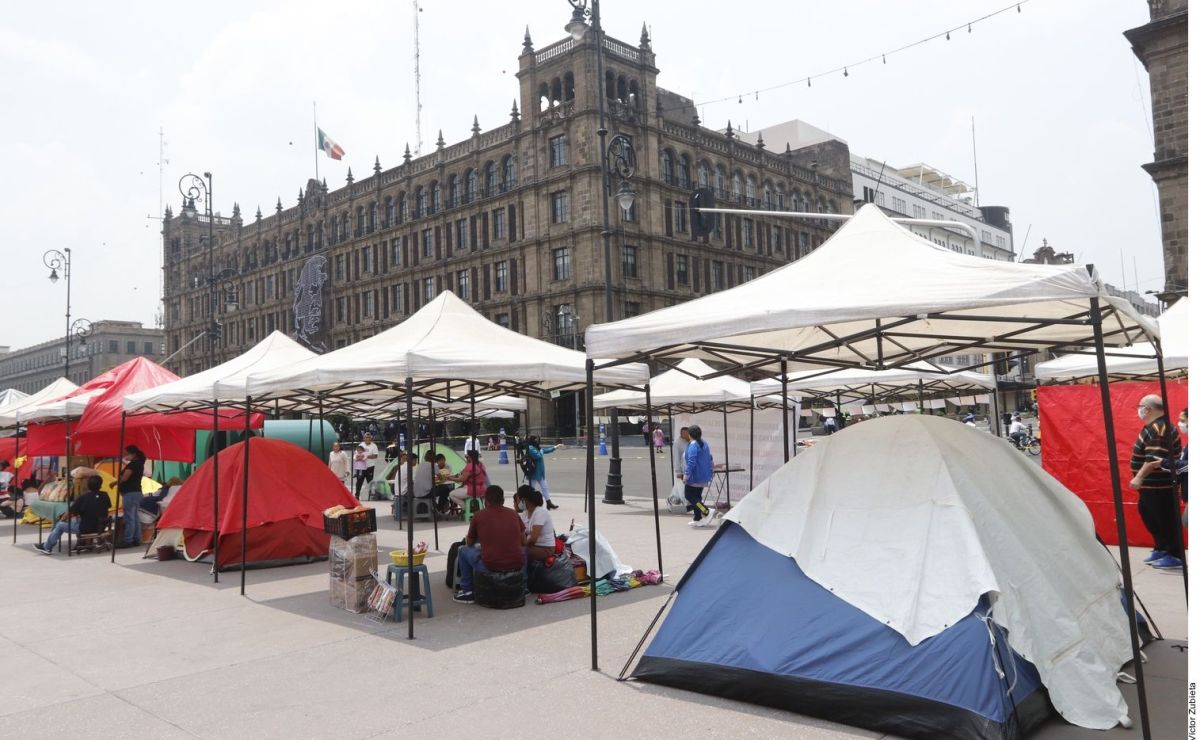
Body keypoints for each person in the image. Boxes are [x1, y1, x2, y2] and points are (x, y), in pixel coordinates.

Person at [1129, 395, 1183, 569]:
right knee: (1150, 516)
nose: (1139, 409)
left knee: (1165, 519)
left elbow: (1154, 458)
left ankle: (1175, 555)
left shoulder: (1160, 428)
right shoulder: (1152, 427)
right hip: (1151, 486)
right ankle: (1161, 547)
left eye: (1140, 406)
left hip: (1161, 486)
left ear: (1148, 409)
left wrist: (1139, 476)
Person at [454, 485, 526, 603]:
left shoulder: (478, 515)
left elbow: (470, 542)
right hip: (516, 564)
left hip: (491, 566)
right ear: (502, 500)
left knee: (463, 550)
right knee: (524, 551)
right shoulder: (513, 514)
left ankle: (467, 591)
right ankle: (525, 586)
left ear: (486, 501)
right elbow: (524, 541)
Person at [35, 475, 110, 554]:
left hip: (86, 528)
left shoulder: (83, 498)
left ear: (88, 486)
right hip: (101, 527)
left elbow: (69, 513)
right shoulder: (105, 495)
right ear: (101, 485)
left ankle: (47, 547)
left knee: (60, 525)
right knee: (77, 519)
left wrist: (61, 520)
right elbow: (104, 507)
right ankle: (82, 543)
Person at [683, 425, 717, 528]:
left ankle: (706, 511)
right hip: (703, 476)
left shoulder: (693, 445)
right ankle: (697, 518)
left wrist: (686, 475)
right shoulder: (704, 443)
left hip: (694, 476)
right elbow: (709, 458)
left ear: (690, 434)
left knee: (689, 496)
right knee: (697, 498)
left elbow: (691, 461)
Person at [515, 484, 557, 562]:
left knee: (517, 551)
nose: (517, 503)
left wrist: (522, 544)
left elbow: (533, 539)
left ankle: (524, 574)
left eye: (518, 499)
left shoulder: (540, 512)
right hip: (533, 546)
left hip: (545, 549)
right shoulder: (525, 514)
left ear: (524, 500)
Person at [116, 445, 146, 548]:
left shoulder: (132, 465)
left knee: (129, 517)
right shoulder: (140, 464)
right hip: (137, 492)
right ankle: (136, 539)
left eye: (127, 453)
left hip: (130, 493)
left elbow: (125, 478)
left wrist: (115, 483)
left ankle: (128, 540)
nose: (125, 455)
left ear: (133, 454)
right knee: (135, 517)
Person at [524, 435, 563, 510]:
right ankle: (527, 504)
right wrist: (541, 451)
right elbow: (538, 455)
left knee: (545, 487)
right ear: (532, 440)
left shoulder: (536, 447)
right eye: (536, 439)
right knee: (531, 489)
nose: (538, 441)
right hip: (534, 472)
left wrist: (555, 447)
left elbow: (545, 450)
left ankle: (549, 503)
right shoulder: (530, 448)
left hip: (540, 472)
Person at [352, 433, 379, 500]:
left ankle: (371, 496)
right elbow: (356, 454)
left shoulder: (374, 446)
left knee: (370, 482)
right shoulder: (361, 445)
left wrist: (366, 456)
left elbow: (375, 455)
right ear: (364, 438)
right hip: (360, 467)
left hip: (370, 466)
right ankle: (357, 495)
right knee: (359, 481)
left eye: (369, 437)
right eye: (366, 437)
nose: (368, 439)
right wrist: (358, 457)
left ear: (371, 438)